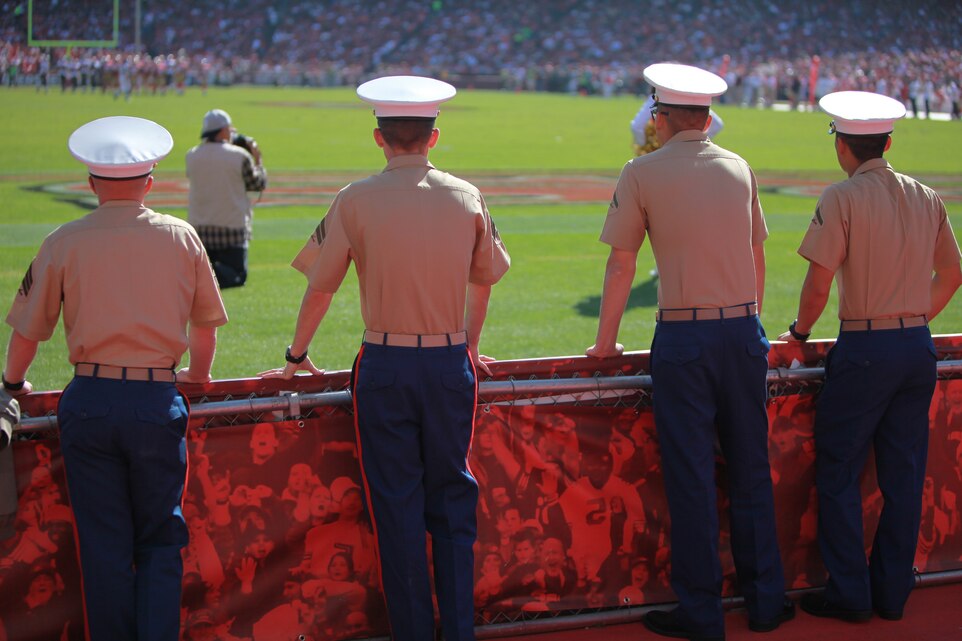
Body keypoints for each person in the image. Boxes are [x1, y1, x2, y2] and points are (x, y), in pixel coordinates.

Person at [260, 75, 510, 641]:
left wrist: (296, 355)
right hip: (449, 363)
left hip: (387, 365)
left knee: (396, 507)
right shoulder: (466, 195)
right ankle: (460, 631)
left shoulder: (355, 198)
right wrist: (468, 344)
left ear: (379, 138)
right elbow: (485, 279)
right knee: (452, 500)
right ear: (434, 136)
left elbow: (319, 288)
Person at [586, 62, 792, 640]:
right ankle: (765, 600)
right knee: (751, 470)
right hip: (742, 329)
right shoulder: (739, 168)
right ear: (706, 115)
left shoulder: (642, 171)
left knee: (692, 476)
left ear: (663, 115)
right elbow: (758, 255)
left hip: (684, 334)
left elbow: (621, 262)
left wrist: (604, 342)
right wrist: (752, 319)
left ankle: (702, 612)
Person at [2, 115, 228, 641]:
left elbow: (27, 333)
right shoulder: (181, 236)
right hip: (155, 399)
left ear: (91, 183)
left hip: (91, 399)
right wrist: (197, 375)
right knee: (159, 537)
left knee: (103, 544)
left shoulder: (64, 239)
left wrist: (12, 387)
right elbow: (205, 329)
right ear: (150, 182)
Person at [778, 90, 962, 622]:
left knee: (838, 471)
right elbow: (951, 275)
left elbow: (818, 285)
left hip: (864, 347)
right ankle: (891, 594)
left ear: (842, 146)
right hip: (914, 348)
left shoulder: (842, 197)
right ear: (887, 141)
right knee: (902, 477)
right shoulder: (927, 196)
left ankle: (849, 594)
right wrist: (911, 318)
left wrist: (798, 332)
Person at [186, 108, 267, 288]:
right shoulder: (240, 156)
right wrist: (258, 159)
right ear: (223, 131)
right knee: (238, 276)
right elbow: (257, 184)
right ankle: (211, 275)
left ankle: (202, 275)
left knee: (205, 271)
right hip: (232, 232)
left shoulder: (191, 155)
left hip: (200, 232)